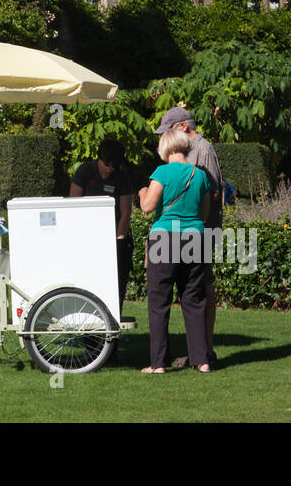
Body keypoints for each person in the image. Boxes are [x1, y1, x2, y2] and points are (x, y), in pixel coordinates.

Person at [150, 106, 225, 368]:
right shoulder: (193, 162)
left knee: (197, 291)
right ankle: (200, 357)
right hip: (195, 230)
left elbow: (214, 192)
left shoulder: (202, 149)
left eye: (167, 131)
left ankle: (204, 352)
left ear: (182, 127)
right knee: (194, 295)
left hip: (191, 230)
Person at [139, 127, 211, 374]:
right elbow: (204, 213)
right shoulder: (200, 175)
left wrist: (141, 193)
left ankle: (158, 364)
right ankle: (201, 360)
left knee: (159, 302)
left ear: (166, 148)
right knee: (194, 299)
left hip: (165, 237)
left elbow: (148, 207)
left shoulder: (161, 172)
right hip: (196, 237)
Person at [68, 137, 134, 307]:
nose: (110, 169)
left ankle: (113, 323)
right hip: (87, 237)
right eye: (107, 164)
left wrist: (118, 238)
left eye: (114, 166)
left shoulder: (122, 177)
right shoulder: (84, 171)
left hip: (114, 236)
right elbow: (73, 204)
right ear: (99, 159)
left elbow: (125, 211)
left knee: (116, 283)